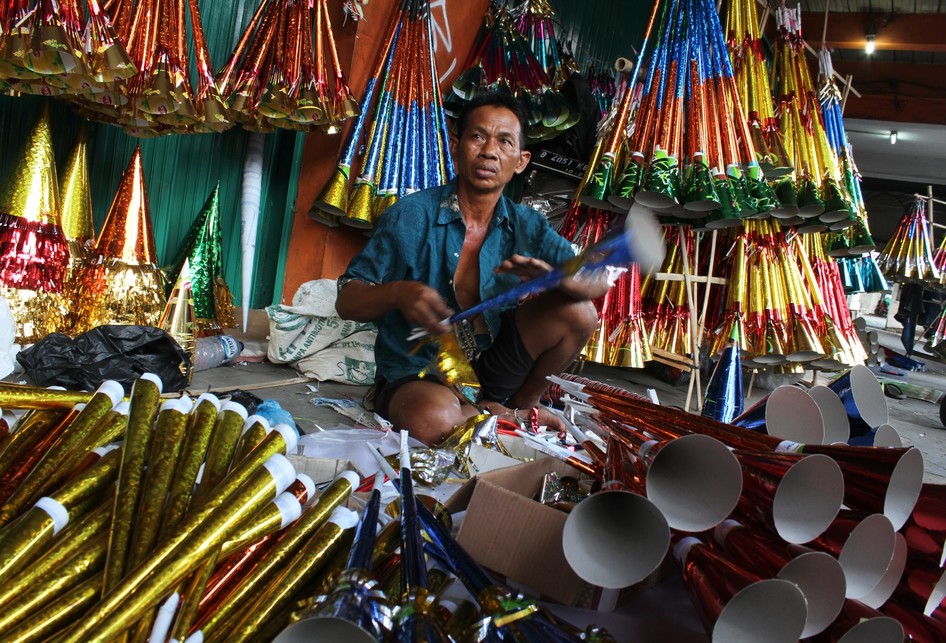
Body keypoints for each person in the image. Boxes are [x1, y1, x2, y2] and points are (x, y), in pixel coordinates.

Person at [335, 91, 610, 445]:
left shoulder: (526, 223)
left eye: (505, 141)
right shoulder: (411, 215)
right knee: (435, 422)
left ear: (521, 160)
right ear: (456, 145)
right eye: (478, 136)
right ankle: (494, 416)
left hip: (493, 366)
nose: (489, 151)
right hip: (423, 370)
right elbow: (347, 299)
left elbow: (597, 282)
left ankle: (520, 407)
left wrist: (557, 279)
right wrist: (399, 293)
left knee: (579, 312)